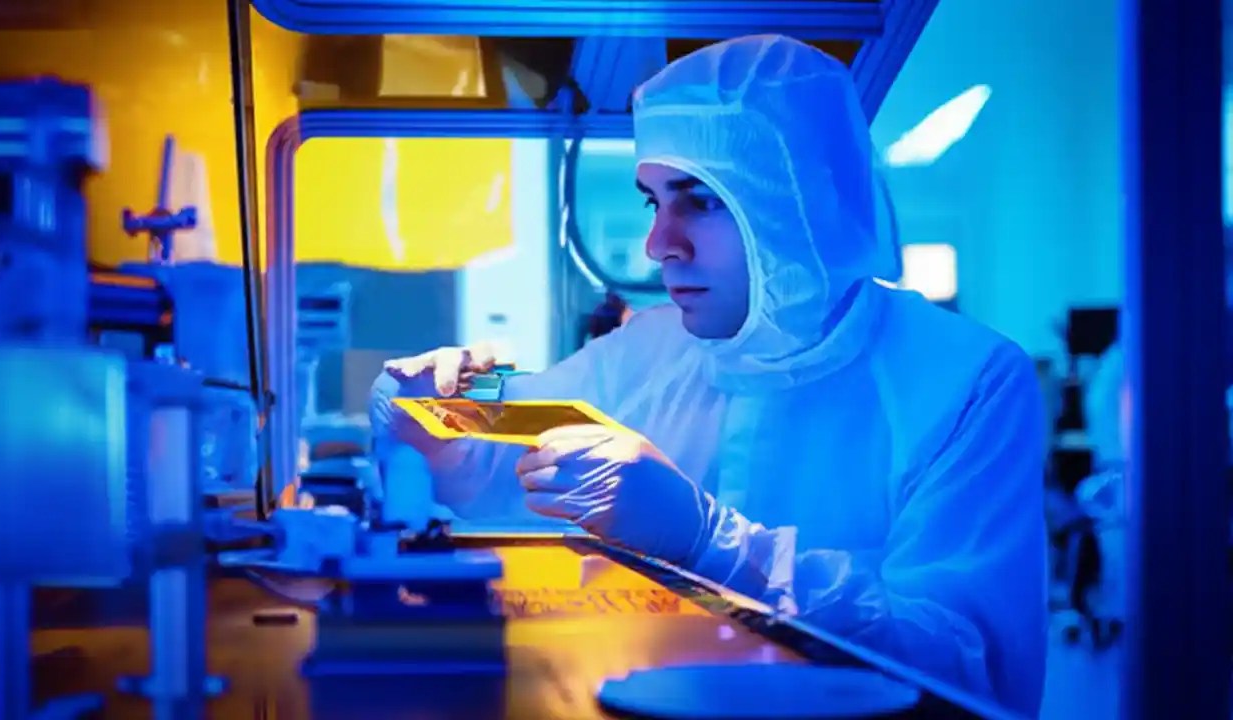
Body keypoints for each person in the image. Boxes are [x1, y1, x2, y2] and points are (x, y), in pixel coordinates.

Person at [370, 35, 1046, 716]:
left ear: (790, 203)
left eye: (699, 199)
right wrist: (430, 410)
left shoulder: (969, 381)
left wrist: (711, 543)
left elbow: (966, 672)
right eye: (652, 201)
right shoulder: (650, 349)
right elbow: (501, 433)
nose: (659, 244)